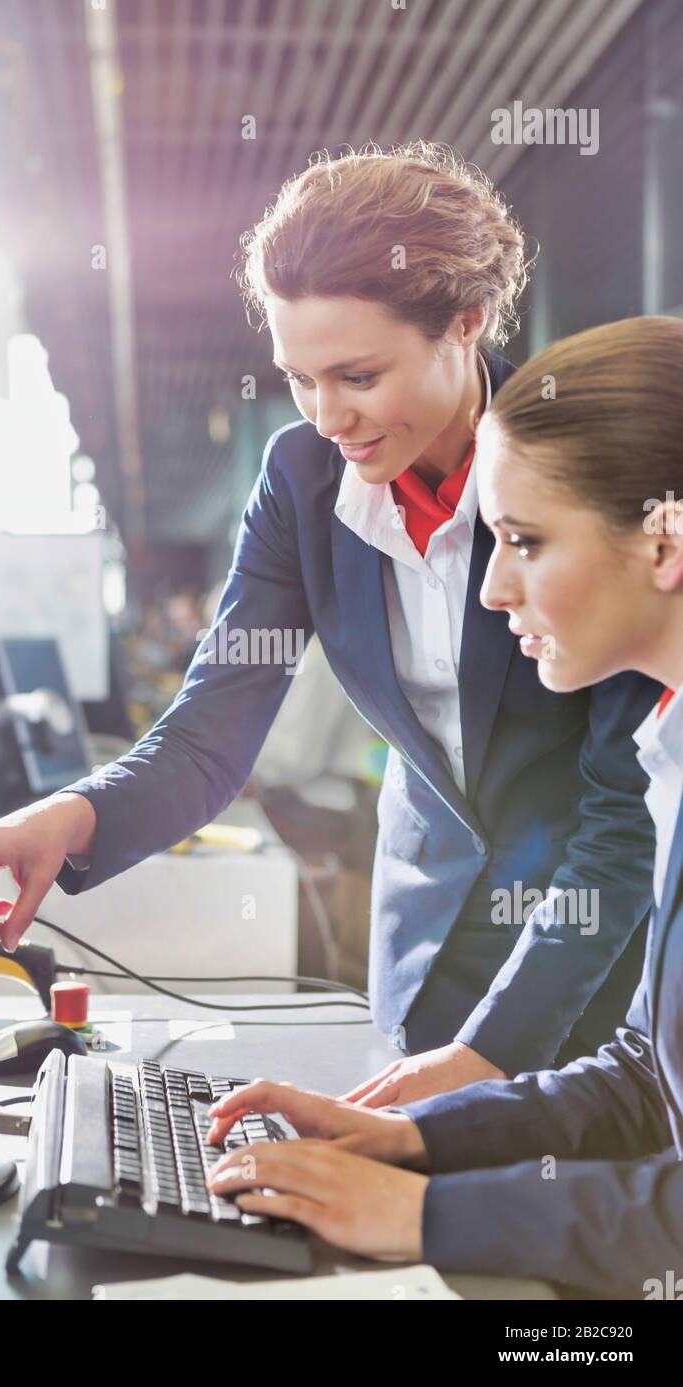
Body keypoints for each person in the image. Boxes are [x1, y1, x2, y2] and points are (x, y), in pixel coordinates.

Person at [0, 144, 658, 1106]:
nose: (327, 414)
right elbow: (213, 728)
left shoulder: (583, 466)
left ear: (465, 324)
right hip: (421, 946)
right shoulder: (301, 480)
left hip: (586, 973)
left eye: (357, 375)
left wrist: (494, 1054)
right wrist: (73, 816)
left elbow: (621, 812)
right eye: (298, 378)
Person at [202, 316, 683, 1298]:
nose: (494, 587)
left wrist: (423, 1213)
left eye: (524, 542)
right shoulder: (664, 753)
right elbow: (646, 1080)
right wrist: (410, 1140)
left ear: (663, 542)